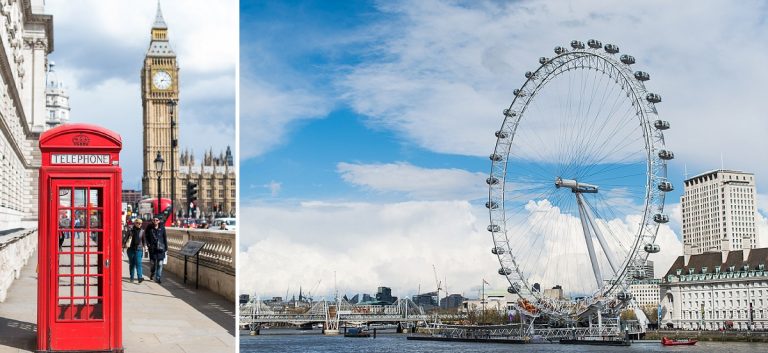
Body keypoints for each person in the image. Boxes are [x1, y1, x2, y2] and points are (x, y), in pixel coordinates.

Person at [123, 218, 146, 283]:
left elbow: (144, 240)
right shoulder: (130, 230)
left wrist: (145, 247)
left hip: (139, 249)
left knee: (139, 263)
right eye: (137, 223)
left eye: (140, 223)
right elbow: (125, 238)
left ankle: (140, 277)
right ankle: (132, 277)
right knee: (132, 264)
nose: (139, 224)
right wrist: (123, 245)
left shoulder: (142, 231)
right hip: (130, 249)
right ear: (135, 223)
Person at [146, 217, 168, 284]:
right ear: (152, 221)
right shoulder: (149, 228)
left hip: (161, 249)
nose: (155, 221)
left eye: (157, 220)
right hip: (152, 249)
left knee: (160, 264)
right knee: (153, 264)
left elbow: (165, 238)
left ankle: (158, 278)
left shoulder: (162, 228)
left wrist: (166, 248)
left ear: (159, 221)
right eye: (154, 220)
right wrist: (148, 244)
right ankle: (152, 273)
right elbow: (146, 236)